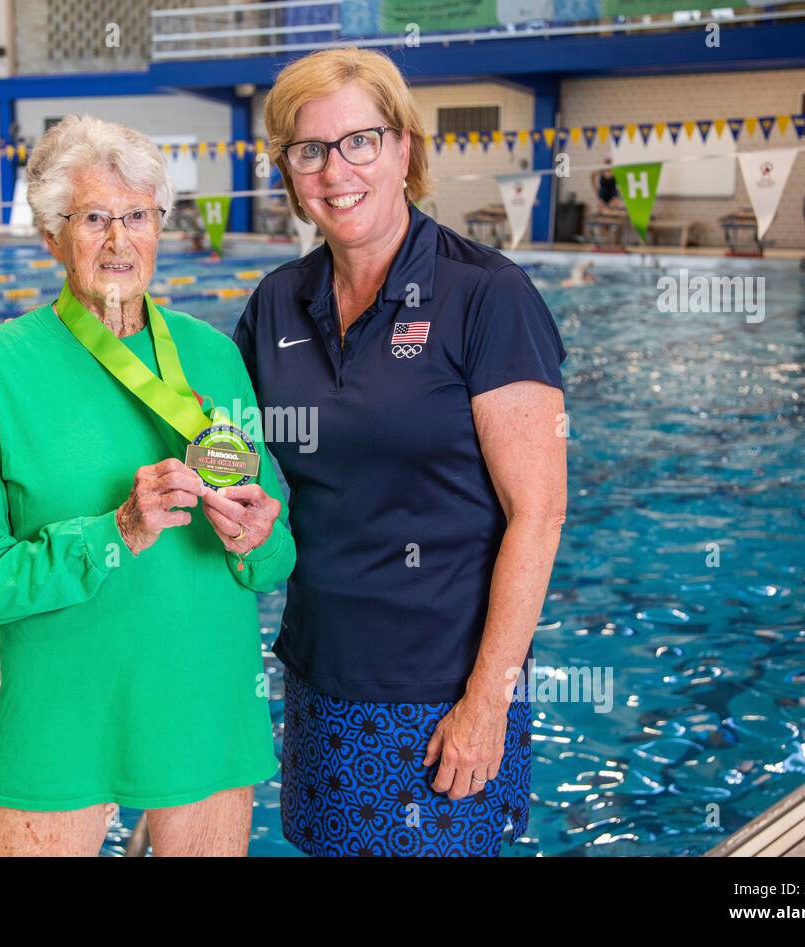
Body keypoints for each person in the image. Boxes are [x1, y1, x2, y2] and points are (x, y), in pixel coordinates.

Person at [234, 47, 568, 857]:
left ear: (405, 149)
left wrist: (487, 700)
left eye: (360, 141)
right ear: (287, 169)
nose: (335, 169)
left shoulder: (487, 297)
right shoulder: (280, 299)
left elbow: (540, 510)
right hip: (320, 669)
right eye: (308, 150)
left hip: (443, 692)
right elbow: (228, 452)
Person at [0, 114, 295, 856]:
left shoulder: (215, 358)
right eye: (94, 218)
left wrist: (259, 537)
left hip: (206, 698)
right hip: (63, 710)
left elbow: (275, 553)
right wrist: (116, 531)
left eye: (137, 216)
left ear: (160, 227)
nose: (118, 239)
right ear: (50, 234)